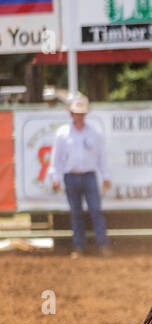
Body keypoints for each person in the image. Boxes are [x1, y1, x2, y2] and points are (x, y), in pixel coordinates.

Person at [51, 95, 111, 257]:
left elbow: (101, 157)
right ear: (72, 114)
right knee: (76, 213)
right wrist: (55, 177)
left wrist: (106, 175)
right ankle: (79, 247)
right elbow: (57, 158)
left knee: (96, 211)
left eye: (82, 113)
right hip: (71, 176)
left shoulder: (93, 133)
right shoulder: (62, 133)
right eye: (77, 113)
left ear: (85, 115)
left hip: (89, 176)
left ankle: (103, 245)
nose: (79, 116)